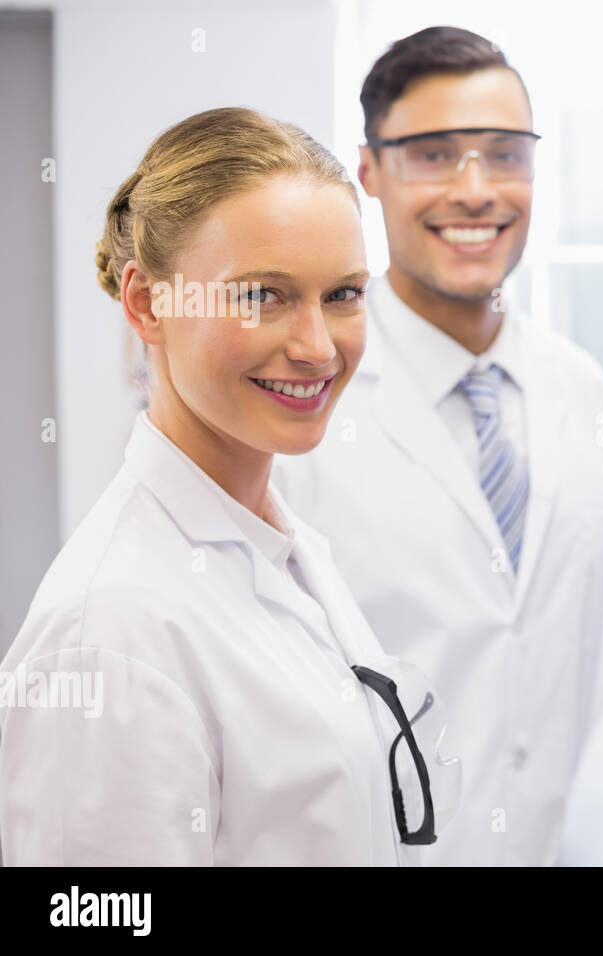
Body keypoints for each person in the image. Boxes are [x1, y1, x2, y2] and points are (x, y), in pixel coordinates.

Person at [0, 107, 457, 865]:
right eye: (261, 296)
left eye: (341, 294)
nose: (317, 348)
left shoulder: (280, 545)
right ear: (149, 303)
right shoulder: (110, 637)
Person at [275, 26, 603, 866]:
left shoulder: (584, 391)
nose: (475, 191)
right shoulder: (298, 403)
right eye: (433, 155)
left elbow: (564, 658)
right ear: (371, 173)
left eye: (505, 154)